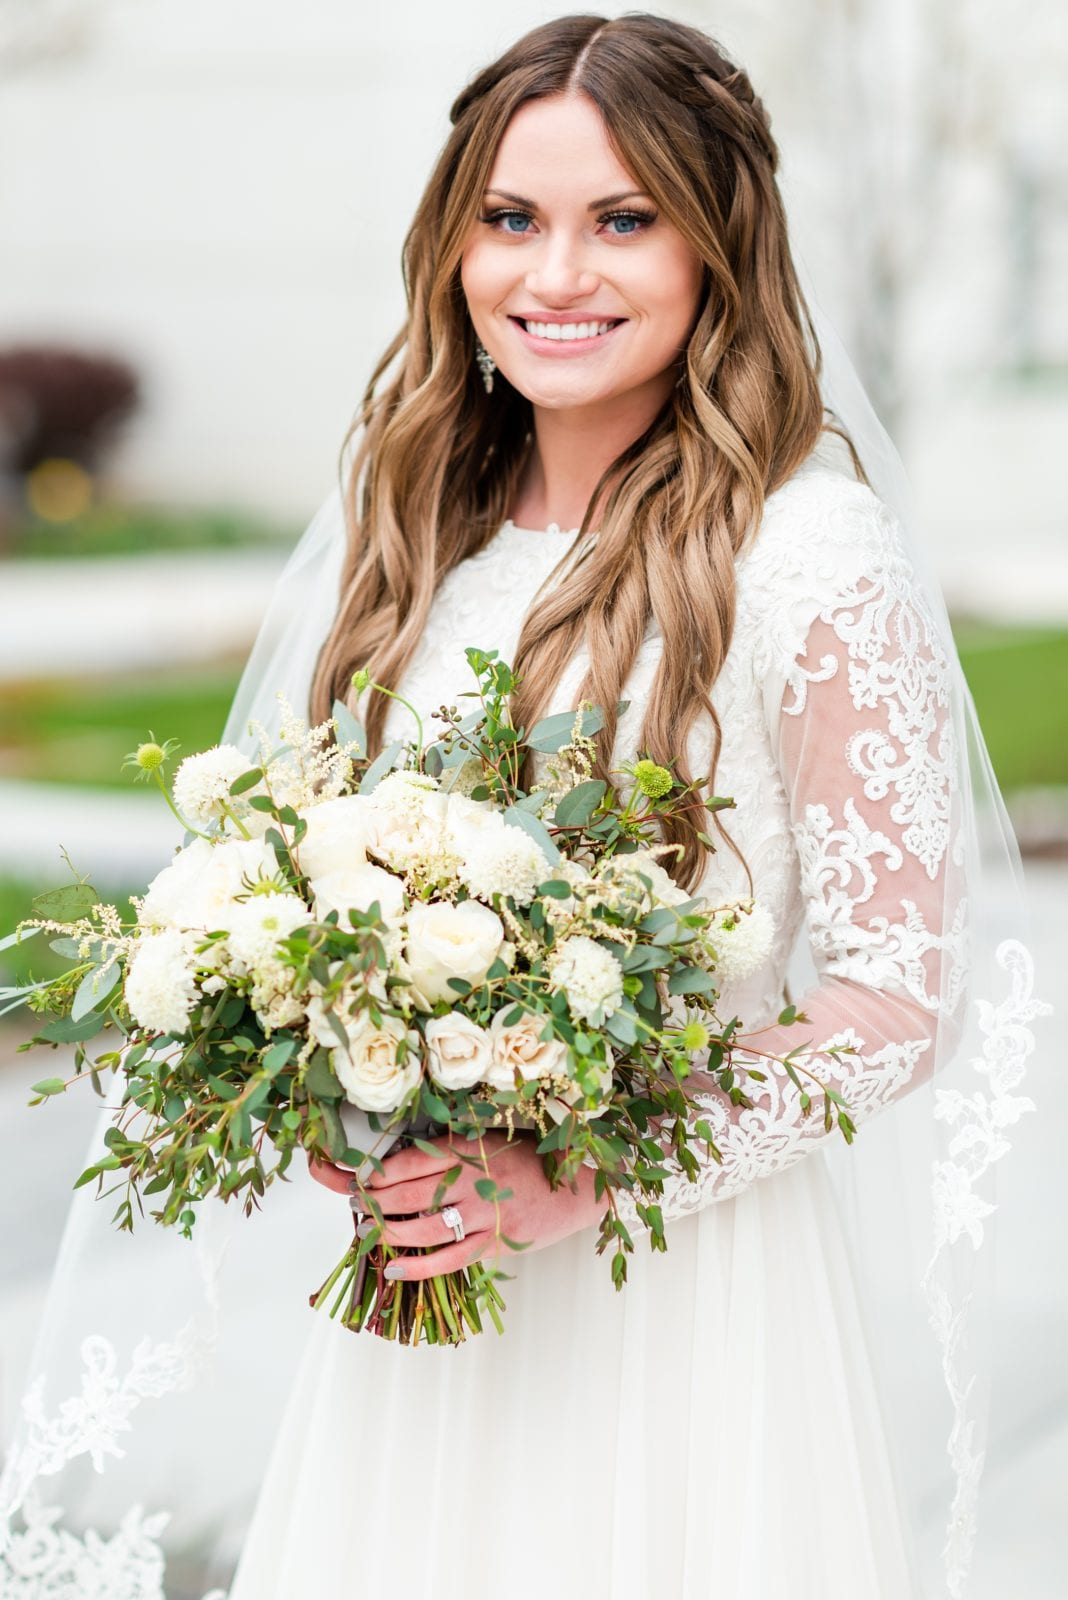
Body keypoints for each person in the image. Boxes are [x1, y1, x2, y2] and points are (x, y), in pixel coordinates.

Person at [0, 14, 1048, 1600]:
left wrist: (588, 1175)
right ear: (454, 247)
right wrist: (339, 1063)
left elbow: (900, 998)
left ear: (718, 245)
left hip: (690, 1297)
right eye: (512, 219)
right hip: (422, 1305)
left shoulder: (809, 554)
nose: (557, 274)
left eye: (623, 220)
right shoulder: (416, 531)